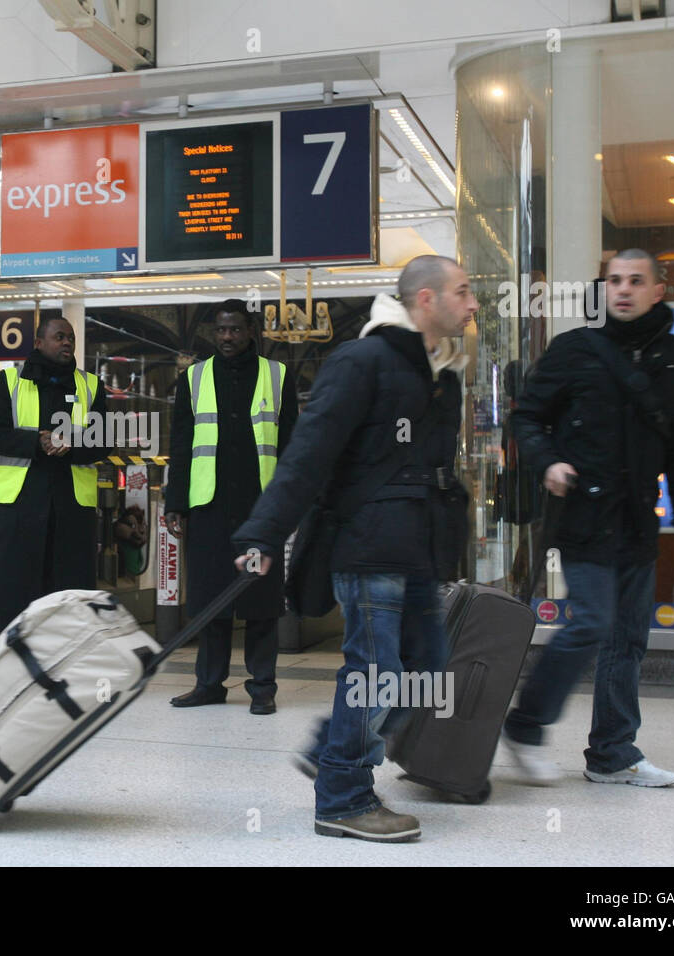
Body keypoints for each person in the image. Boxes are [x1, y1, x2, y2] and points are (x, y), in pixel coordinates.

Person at [233, 256, 476, 842]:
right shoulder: (362, 361)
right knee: (375, 671)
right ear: (425, 299)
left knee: (423, 670)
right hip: (368, 542)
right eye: (463, 292)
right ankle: (342, 797)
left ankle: (331, 747)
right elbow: (309, 453)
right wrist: (263, 532)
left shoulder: (441, 372)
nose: (472, 305)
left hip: (415, 548)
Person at [502, 249, 674, 787]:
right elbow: (527, 417)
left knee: (629, 637)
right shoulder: (575, 351)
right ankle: (526, 724)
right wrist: (548, 462)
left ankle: (612, 754)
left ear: (657, 291)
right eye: (615, 281)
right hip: (585, 513)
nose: (624, 290)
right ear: (605, 288)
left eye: (636, 281)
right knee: (591, 621)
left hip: (638, 517)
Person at [164, 300, 297, 714]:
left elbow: (292, 444)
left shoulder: (277, 376)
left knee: (261, 600)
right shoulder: (193, 378)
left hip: (260, 509)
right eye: (221, 330)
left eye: (235, 330)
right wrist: (175, 503)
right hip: (209, 505)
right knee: (210, 600)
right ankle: (209, 684)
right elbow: (182, 445)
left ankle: (263, 688)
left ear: (251, 330)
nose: (227, 337)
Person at [0, 317, 108, 635]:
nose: (67, 343)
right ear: (39, 343)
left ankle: (63, 668)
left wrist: (72, 446)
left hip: (71, 508)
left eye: (71, 338)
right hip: (19, 506)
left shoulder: (91, 385)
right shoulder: (8, 382)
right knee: (15, 593)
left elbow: (105, 441)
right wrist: (36, 441)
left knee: (69, 596)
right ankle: (10, 662)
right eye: (59, 337)